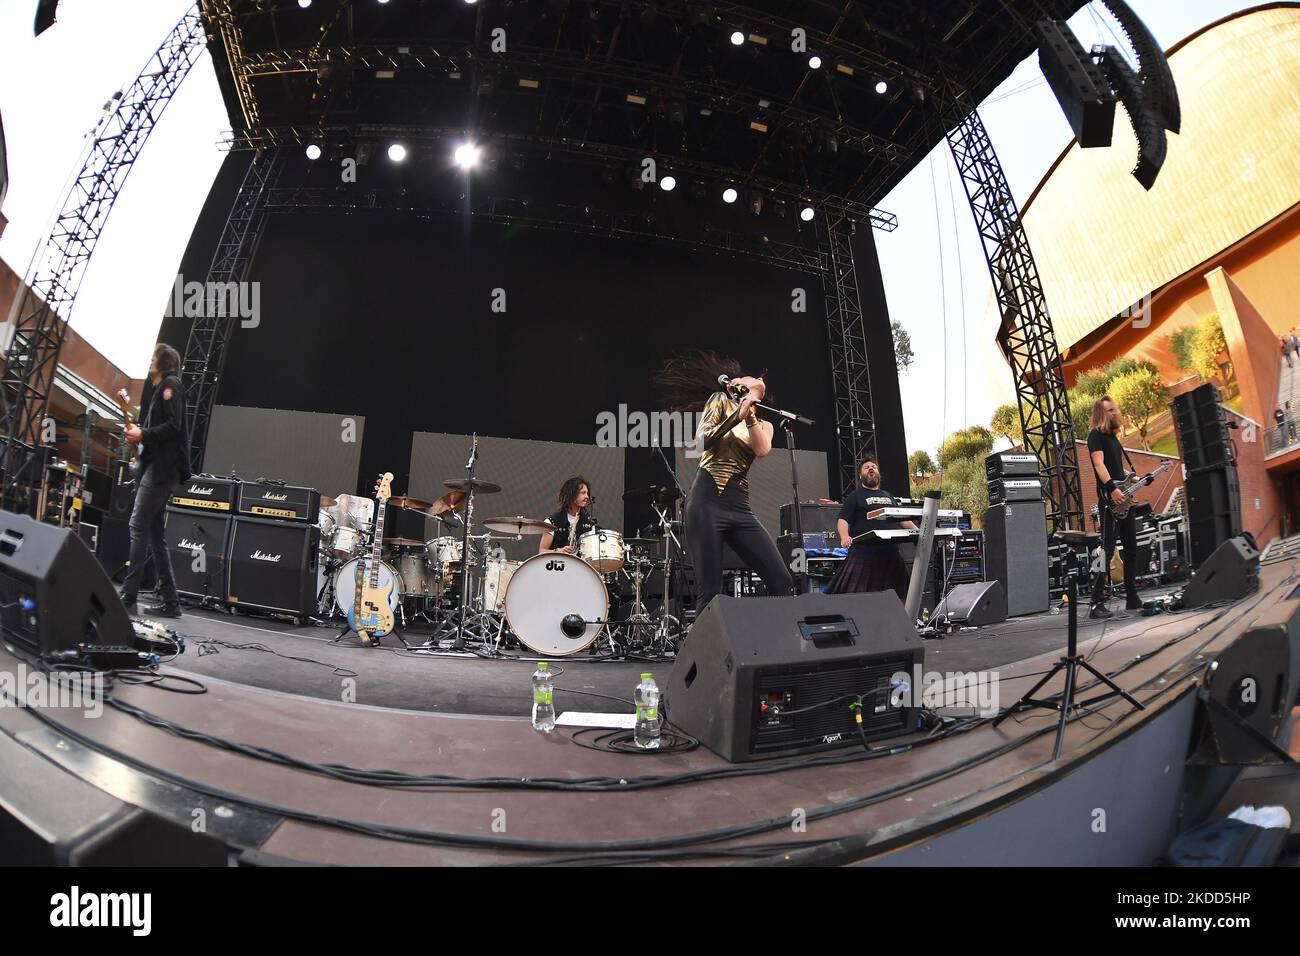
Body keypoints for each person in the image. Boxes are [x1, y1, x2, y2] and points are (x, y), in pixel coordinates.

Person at [654, 350, 793, 613]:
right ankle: (704, 652)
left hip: (739, 507)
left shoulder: (765, 424)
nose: (749, 380)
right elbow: (701, 441)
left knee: (782, 581)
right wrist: (734, 417)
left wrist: (749, 412)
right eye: (746, 378)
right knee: (710, 592)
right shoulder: (719, 400)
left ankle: (777, 645)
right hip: (706, 503)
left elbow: (761, 450)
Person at [119, 343, 190, 617]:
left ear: (164, 362)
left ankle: (128, 596)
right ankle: (171, 602)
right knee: (154, 534)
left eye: (153, 358)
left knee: (137, 525)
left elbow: (174, 426)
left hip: (161, 472)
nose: (150, 362)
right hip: (159, 470)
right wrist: (140, 451)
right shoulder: (165, 389)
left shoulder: (171, 385)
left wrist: (142, 434)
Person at [826, 454, 916, 601]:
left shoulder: (889, 496)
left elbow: (903, 519)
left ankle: (901, 623)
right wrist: (844, 537)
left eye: (873, 467)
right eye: (866, 467)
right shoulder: (855, 496)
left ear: (879, 473)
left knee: (902, 597)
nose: (871, 469)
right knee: (858, 600)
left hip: (890, 555)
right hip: (864, 553)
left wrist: (918, 533)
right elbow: (842, 520)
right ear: (860, 475)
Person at [1087, 395, 1140, 618]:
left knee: (1132, 549)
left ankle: (1131, 595)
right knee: (1105, 551)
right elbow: (1099, 465)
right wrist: (1112, 488)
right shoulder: (1095, 436)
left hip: (1123, 500)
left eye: (1114, 409)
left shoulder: (1114, 440)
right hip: (1109, 502)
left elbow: (1116, 469)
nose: (1115, 413)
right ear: (1101, 413)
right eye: (1110, 411)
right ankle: (1095, 602)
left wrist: (1130, 479)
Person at [539, 476, 596, 554]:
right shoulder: (552, 522)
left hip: (579, 565)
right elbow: (542, 551)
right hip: (558, 564)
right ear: (571, 494)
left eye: (587, 493)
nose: (587, 496)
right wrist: (558, 551)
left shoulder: (589, 523)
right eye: (583, 493)